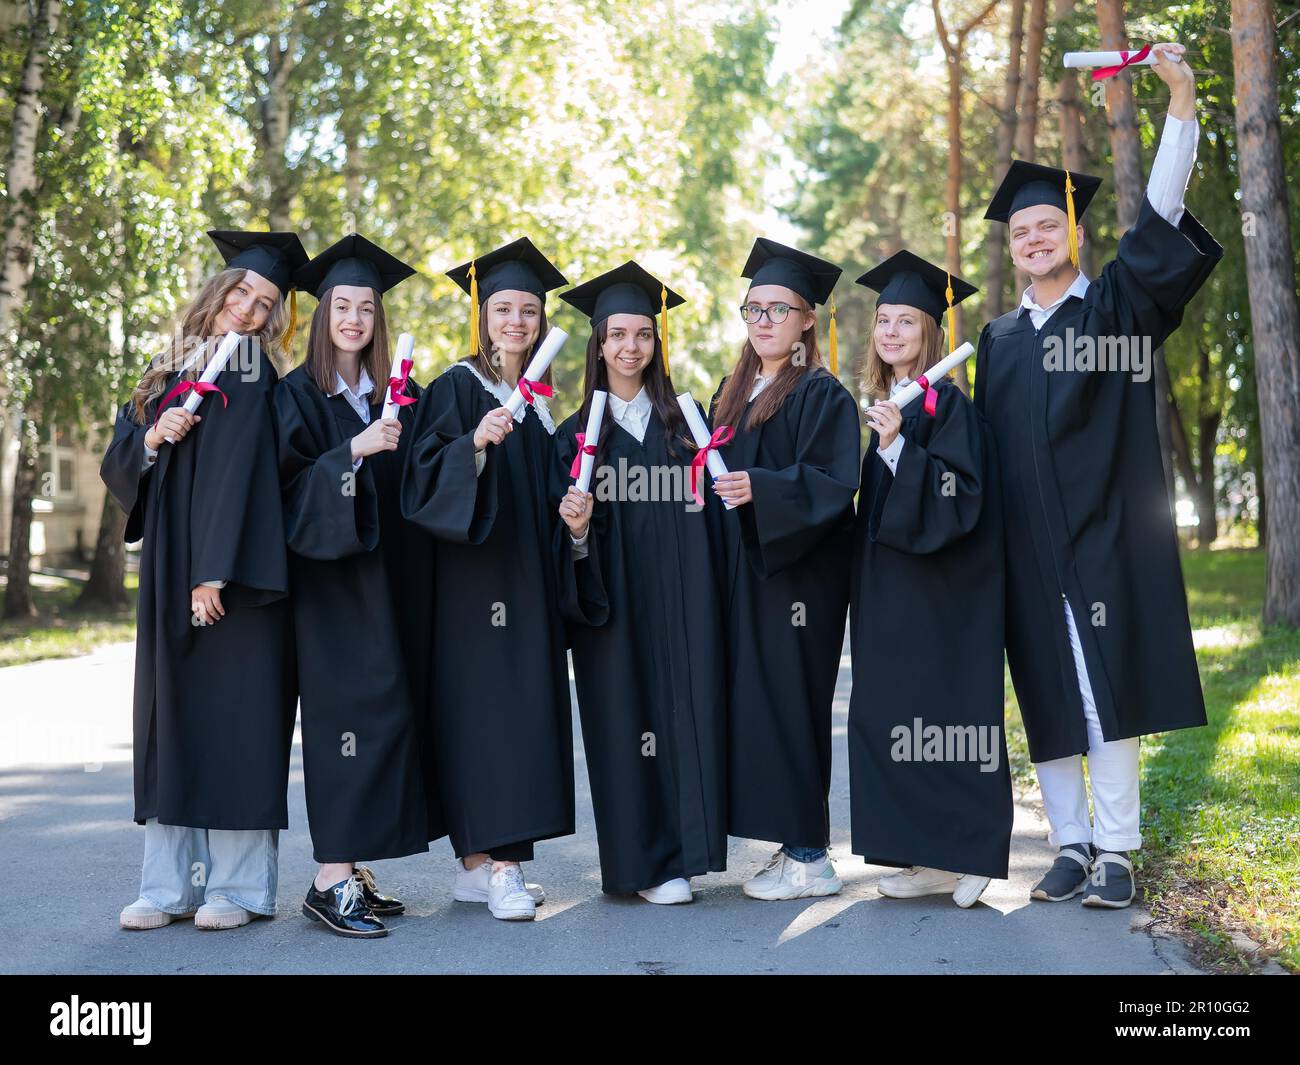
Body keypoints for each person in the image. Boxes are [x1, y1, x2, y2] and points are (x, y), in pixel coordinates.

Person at [975, 43, 1222, 908]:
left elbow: (1161, 210)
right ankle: (1070, 843)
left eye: (1047, 225)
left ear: (1072, 231)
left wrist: (1181, 100)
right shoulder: (999, 342)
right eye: (1020, 231)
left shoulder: (1115, 306)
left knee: (1103, 686)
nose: (1034, 238)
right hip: (1029, 549)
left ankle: (1118, 848)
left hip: (1107, 535)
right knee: (1045, 690)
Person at [102, 229, 303, 931]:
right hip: (170, 569)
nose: (249, 311)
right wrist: (155, 437)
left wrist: (213, 571)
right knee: (174, 720)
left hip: (230, 576)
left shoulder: (249, 367)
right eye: (242, 293)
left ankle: (240, 887)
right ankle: (167, 886)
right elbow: (119, 455)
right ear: (219, 291)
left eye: (265, 303)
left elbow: (241, 475)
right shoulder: (166, 366)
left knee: (236, 721)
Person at [275, 234, 439, 938]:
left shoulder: (402, 394)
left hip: (392, 587)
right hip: (333, 590)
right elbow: (282, 496)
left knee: (387, 722)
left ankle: (353, 869)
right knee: (345, 726)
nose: (352, 318)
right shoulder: (296, 397)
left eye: (365, 308)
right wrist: (353, 450)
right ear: (322, 316)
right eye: (340, 305)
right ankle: (328, 878)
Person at [400, 237, 569, 920]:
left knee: (520, 718)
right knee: (482, 720)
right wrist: (472, 442)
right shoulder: (455, 387)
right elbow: (418, 483)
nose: (518, 322)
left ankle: (483, 867)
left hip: (529, 586)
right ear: (483, 315)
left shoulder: (546, 402)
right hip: (472, 589)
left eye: (529, 311)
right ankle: (497, 867)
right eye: (505, 309)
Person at [554, 261, 728, 904]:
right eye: (617, 335)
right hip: (613, 608)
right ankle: (640, 866)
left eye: (643, 334)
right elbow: (564, 542)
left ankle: (682, 856)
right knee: (627, 724)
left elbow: (717, 521)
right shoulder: (573, 437)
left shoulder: (686, 426)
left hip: (682, 605)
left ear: (657, 344)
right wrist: (575, 532)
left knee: (682, 719)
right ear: (598, 346)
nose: (631, 347)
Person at [848, 251, 1012, 908]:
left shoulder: (950, 406)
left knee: (950, 718)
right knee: (896, 719)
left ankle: (970, 853)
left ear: (930, 333)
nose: (891, 333)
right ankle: (926, 855)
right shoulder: (894, 401)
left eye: (906, 322)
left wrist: (895, 449)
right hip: (892, 599)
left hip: (946, 597)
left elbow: (962, 496)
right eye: (883, 321)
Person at [710, 237, 861, 901]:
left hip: (800, 578)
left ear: (807, 320)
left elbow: (834, 482)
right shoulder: (734, 390)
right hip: (747, 573)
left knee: (795, 706)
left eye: (780, 308)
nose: (765, 319)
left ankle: (810, 854)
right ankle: (788, 846)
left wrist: (760, 489)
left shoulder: (822, 394)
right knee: (761, 709)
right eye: (754, 308)